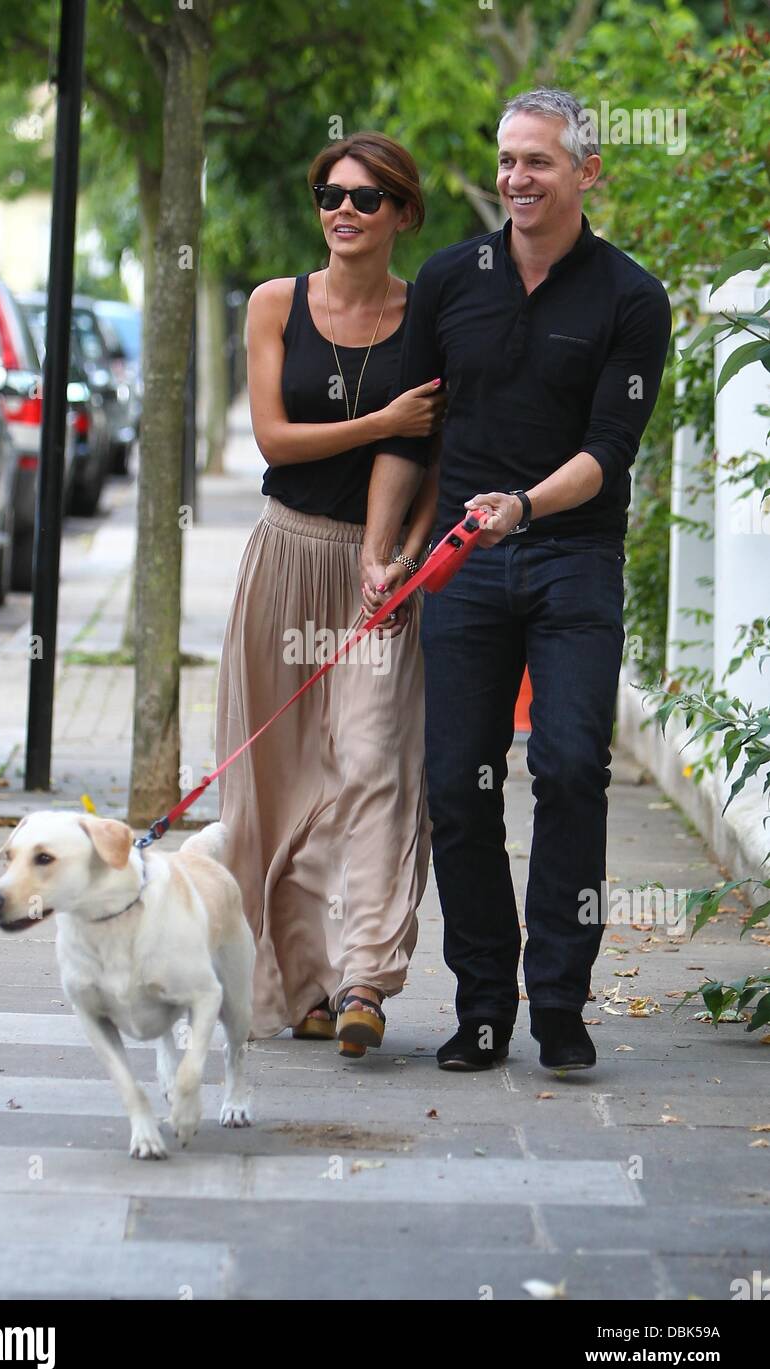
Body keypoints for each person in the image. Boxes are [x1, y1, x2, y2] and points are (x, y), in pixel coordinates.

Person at [361, 89, 672, 1073]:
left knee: (572, 766)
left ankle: (561, 1001)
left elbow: (608, 450)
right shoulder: (451, 281)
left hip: (570, 559)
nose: (514, 178)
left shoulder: (629, 297)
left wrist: (523, 508)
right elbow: (414, 431)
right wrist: (383, 549)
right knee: (457, 785)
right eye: (505, 160)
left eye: (536, 161)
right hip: (462, 566)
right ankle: (484, 1004)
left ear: (587, 172)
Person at [216, 131, 444, 1057]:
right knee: (272, 783)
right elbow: (273, 439)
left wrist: (412, 555)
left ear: (402, 214)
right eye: (329, 194)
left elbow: (436, 456)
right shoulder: (277, 305)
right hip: (285, 554)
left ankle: (365, 978)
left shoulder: (427, 312)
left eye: (365, 197)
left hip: (376, 567)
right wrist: (381, 419)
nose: (342, 210)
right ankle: (298, 985)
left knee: (373, 764)